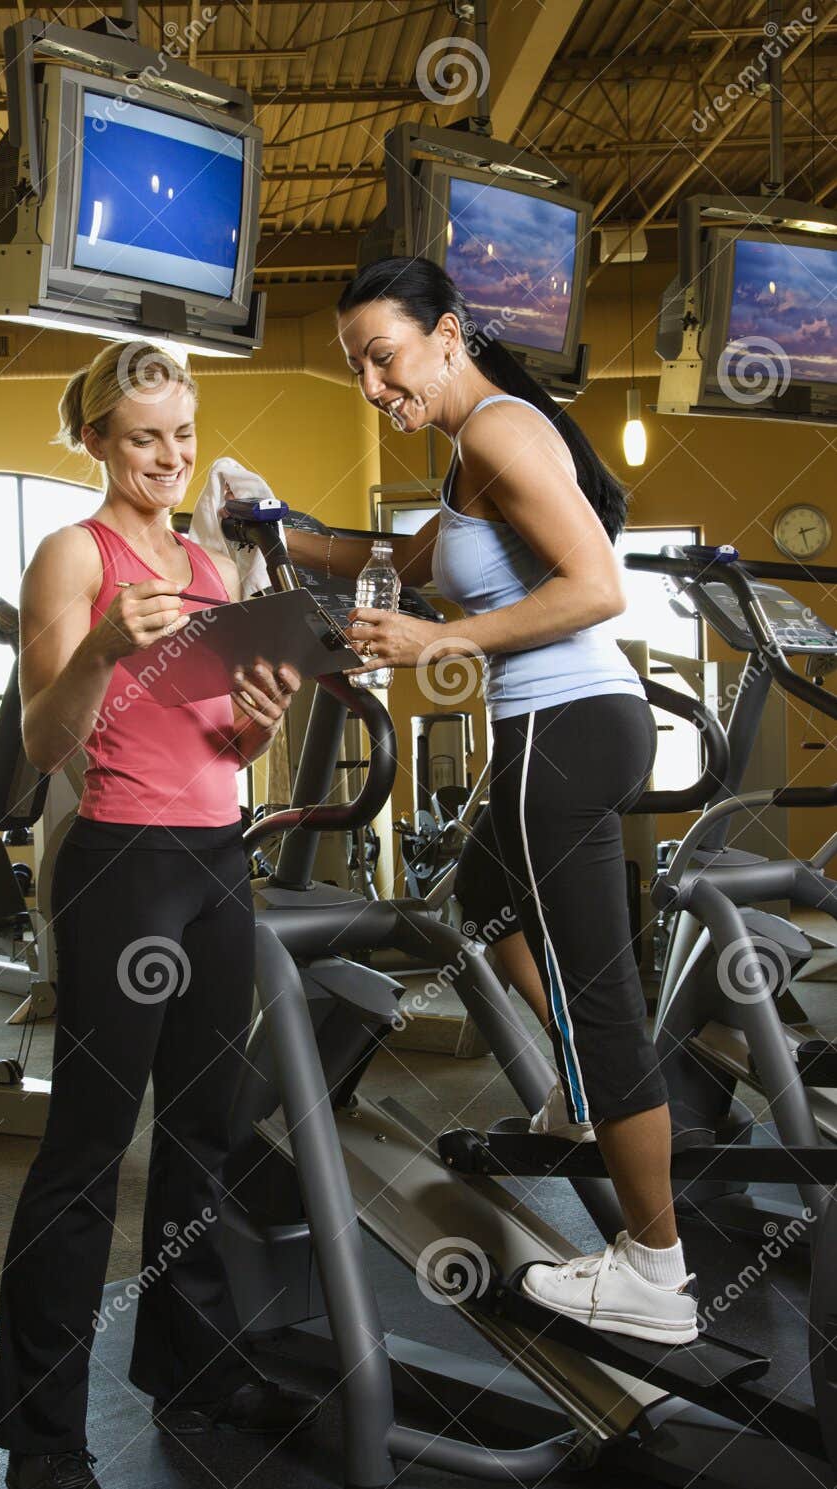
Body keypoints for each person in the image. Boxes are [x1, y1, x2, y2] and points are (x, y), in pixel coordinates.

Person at [285, 256, 697, 1348]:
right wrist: (270, 524)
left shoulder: (498, 435)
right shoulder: (472, 457)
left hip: (559, 727)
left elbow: (598, 582)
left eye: (382, 356)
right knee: (482, 896)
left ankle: (654, 1269)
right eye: (355, 370)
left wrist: (442, 639)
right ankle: (573, 1095)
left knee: (595, 996)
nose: (373, 386)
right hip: (576, 729)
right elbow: (383, 556)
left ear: (446, 333)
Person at [0, 341, 318, 1489]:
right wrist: (104, 647)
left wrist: (260, 722)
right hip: (121, 866)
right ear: (97, 443)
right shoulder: (76, 555)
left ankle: (190, 1360)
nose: (168, 458)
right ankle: (41, 1434)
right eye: (143, 438)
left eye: (181, 436)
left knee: (206, 1135)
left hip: (218, 858)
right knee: (85, 1150)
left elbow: (224, 746)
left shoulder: (215, 564)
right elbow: (40, 737)